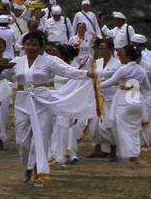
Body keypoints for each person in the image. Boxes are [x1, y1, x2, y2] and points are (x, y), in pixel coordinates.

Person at [9, 32, 95, 186]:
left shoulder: (49, 61)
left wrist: (88, 74)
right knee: (22, 141)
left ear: (41, 47)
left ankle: (38, 170)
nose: (31, 47)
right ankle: (27, 166)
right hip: (22, 101)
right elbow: (2, 75)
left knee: (41, 137)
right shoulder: (17, 61)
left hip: (43, 100)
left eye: (35, 44)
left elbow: (68, 71)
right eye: (28, 44)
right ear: (23, 46)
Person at [99, 39, 151, 164]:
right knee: (135, 129)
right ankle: (134, 154)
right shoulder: (141, 70)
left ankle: (130, 155)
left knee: (124, 130)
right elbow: (147, 86)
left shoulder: (123, 69)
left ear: (128, 56)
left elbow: (111, 82)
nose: (120, 57)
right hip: (137, 101)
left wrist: (97, 85)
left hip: (125, 101)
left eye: (122, 55)